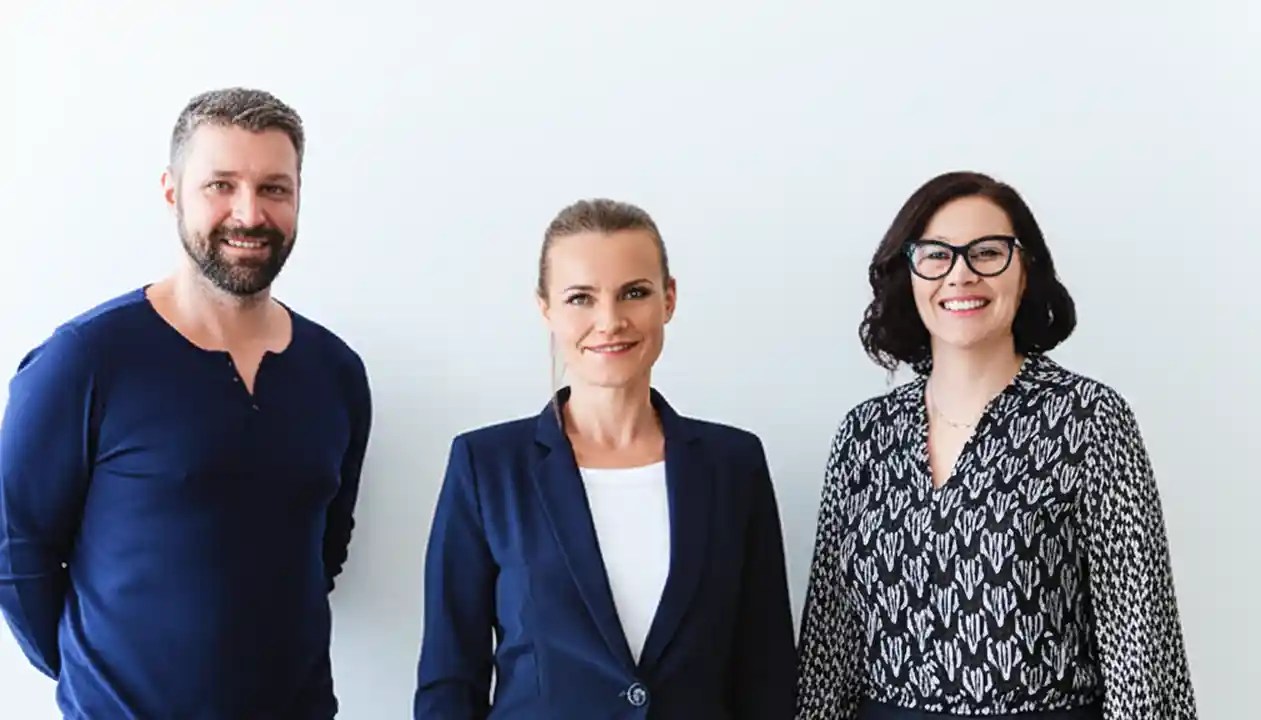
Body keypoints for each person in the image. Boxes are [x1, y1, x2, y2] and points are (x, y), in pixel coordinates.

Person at [0, 87, 372, 718]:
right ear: (172, 192)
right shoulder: (87, 360)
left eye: (274, 188)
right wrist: (94, 683)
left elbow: (324, 550)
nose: (249, 213)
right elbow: (16, 549)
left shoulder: (335, 372)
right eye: (220, 185)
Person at [795, 171, 1197, 720]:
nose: (960, 274)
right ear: (908, 275)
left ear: (1025, 270)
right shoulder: (864, 434)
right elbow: (829, 647)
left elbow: (1139, 646)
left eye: (987, 252)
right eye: (936, 255)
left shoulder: (1088, 420)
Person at [412, 198, 798, 718]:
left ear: (669, 299)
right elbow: (450, 677)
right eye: (580, 298)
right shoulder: (486, 467)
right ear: (546, 308)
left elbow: (766, 671)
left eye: (634, 293)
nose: (610, 321)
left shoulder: (734, 465)